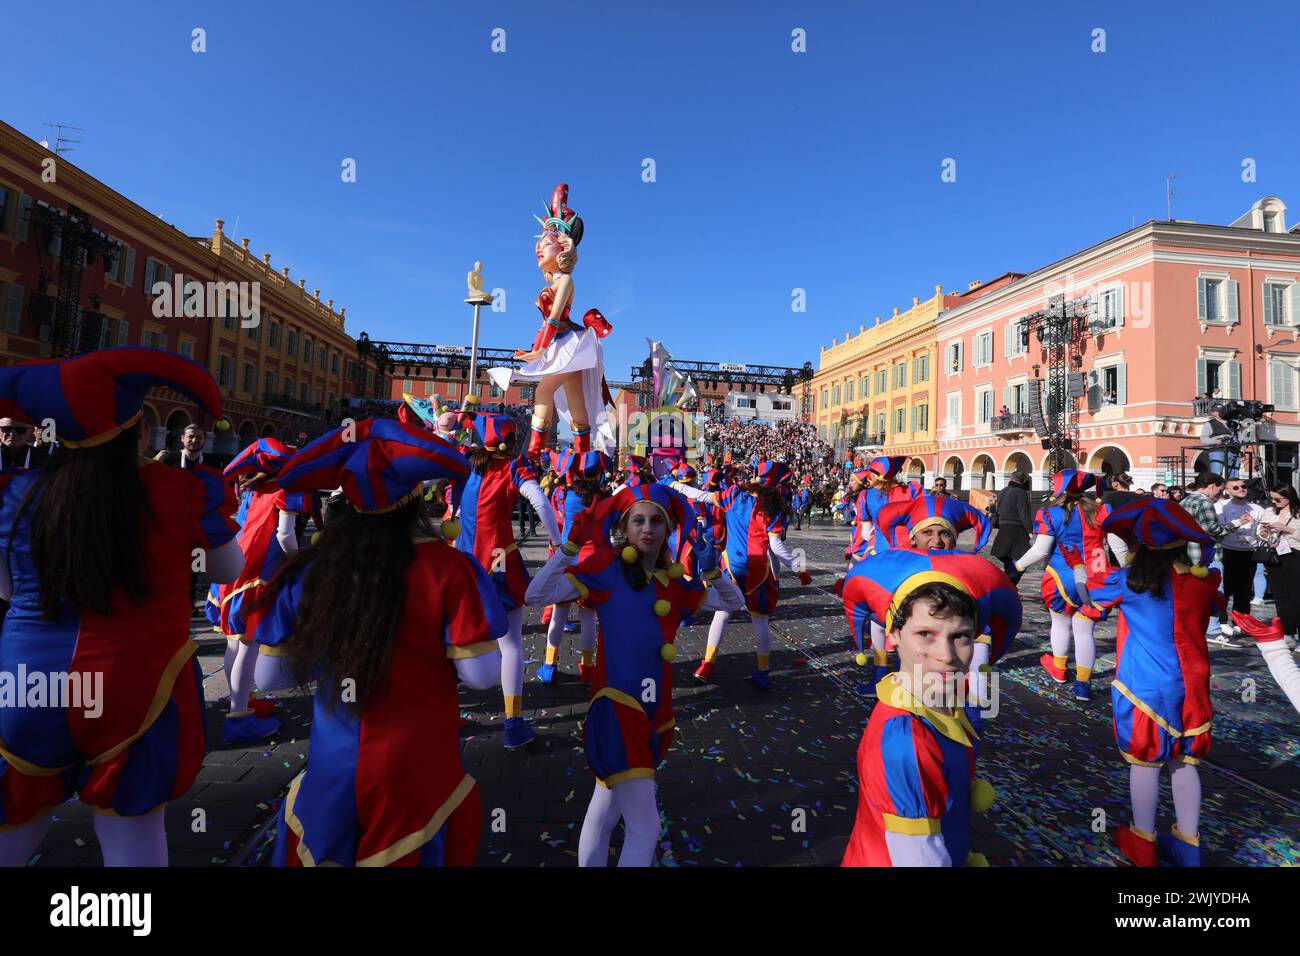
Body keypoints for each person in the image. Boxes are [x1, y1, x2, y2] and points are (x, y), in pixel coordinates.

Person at [0, 348, 243, 867]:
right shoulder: (183, 490)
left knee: (13, 818)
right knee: (133, 837)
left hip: (27, 685)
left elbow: (5, 590)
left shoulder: (17, 493)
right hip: (136, 689)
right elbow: (226, 569)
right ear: (139, 432)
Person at [252, 418, 505, 867]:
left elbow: (267, 677)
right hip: (418, 770)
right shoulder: (452, 570)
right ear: (416, 500)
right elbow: (483, 677)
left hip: (332, 770)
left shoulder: (310, 571)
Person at [525, 483, 743, 866]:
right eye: (637, 520)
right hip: (617, 710)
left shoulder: (674, 583)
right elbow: (535, 595)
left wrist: (713, 571)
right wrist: (568, 551)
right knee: (644, 829)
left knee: (605, 809)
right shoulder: (607, 571)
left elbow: (733, 602)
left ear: (668, 528)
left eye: (657, 520)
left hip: (656, 712)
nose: (648, 528)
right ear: (623, 528)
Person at [839, 549, 1020, 867]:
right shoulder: (908, 742)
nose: (946, 654)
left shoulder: (938, 703)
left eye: (961, 636)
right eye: (926, 634)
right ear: (893, 635)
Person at [1089, 499, 1222, 867]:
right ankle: (1188, 845)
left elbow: (1094, 597)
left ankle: (1143, 841)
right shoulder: (1201, 584)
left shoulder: (1130, 583)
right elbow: (1217, 604)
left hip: (1145, 685)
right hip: (1193, 686)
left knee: (1145, 764)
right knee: (1185, 762)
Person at [455, 413, 562, 748]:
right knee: (511, 644)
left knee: (450, 640)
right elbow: (541, 502)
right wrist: (557, 543)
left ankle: (446, 710)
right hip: (499, 563)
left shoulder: (467, 463)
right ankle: (513, 724)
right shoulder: (514, 467)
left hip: (462, 561)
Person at [491, 184, 614, 462]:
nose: (538, 250)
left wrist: (539, 352)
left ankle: (533, 456)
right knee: (575, 401)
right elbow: (549, 323)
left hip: (566, 341)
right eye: (538, 245)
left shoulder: (566, 280)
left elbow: (554, 319)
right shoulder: (559, 281)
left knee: (545, 390)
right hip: (562, 342)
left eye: (545, 244)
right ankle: (585, 459)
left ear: (563, 247)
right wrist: (539, 349)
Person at [204, 438, 310, 743]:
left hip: (233, 565)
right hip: (256, 572)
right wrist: (296, 557)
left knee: (234, 642)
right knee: (247, 644)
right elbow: (285, 534)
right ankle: (238, 717)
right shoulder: (286, 489)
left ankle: (242, 703)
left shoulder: (250, 487)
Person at [671, 460, 811, 689]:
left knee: (722, 614)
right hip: (758, 573)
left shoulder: (735, 494)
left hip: (732, 566)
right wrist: (799, 569)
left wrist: (678, 486)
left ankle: (707, 663)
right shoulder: (773, 508)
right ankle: (763, 671)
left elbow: (703, 496)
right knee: (760, 621)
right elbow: (776, 548)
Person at [1012, 470, 1125, 701]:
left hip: (1061, 575)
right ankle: (1083, 684)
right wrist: (1126, 572)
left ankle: (1060, 669)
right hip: (1097, 577)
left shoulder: (1050, 513)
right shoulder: (1103, 510)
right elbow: (1118, 546)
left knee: (1060, 623)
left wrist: (1017, 567)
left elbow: (1041, 550)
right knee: (1085, 631)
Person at [538, 449, 610, 684]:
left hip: (567, 559)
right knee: (588, 617)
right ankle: (587, 668)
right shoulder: (607, 501)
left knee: (559, 612)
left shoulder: (566, 496)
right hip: (594, 563)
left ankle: (549, 665)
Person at [1215, 477, 1264, 638]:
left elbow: (1262, 529)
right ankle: (1222, 621)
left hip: (1249, 551)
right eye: (1235, 488)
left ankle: (1241, 622)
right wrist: (1238, 522)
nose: (1240, 489)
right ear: (1227, 491)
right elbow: (1218, 529)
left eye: (1243, 487)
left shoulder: (1256, 508)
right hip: (1228, 551)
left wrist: (1264, 531)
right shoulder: (1221, 506)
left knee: (1244, 590)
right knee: (1225, 588)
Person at [1258, 482, 1300, 646]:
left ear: (1289, 497)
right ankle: (1288, 632)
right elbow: (1260, 533)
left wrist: (1286, 529)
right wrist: (1266, 532)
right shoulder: (1269, 511)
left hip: (1295, 554)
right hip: (1274, 555)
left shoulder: (1297, 512)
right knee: (1280, 596)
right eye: (1272, 499)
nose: (1274, 502)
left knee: (1296, 595)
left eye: (1278, 499)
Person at [991, 470, 1033, 567]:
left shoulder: (1002, 491)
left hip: (1003, 529)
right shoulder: (1021, 492)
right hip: (1017, 530)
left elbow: (998, 509)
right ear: (1022, 481)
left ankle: (1008, 578)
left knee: (1007, 558)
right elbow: (1024, 514)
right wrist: (1030, 531)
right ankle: (1010, 580)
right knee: (1024, 559)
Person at [1201, 405, 1239, 479]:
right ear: (1213, 413)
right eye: (1218, 412)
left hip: (1232, 450)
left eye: (1221, 411)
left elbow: (1239, 437)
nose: (1221, 413)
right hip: (1217, 450)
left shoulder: (1232, 424)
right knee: (1216, 474)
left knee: (1233, 475)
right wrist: (1215, 441)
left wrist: (1241, 451)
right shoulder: (1209, 424)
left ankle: (1232, 488)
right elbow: (1203, 439)